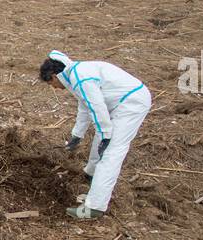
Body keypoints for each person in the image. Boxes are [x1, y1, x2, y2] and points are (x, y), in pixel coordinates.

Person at [40, 50, 151, 219]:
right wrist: (77, 134)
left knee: (111, 151)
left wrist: (106, 135)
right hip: (119, 102)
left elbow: (97, 107)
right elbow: (85, 105)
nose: (55, 88)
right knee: (101, 138)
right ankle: (91, 173)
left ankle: (95, 207)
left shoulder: (81, 77)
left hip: (131, 104)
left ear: (54, 76)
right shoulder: (75, 74)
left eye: (51, 84)